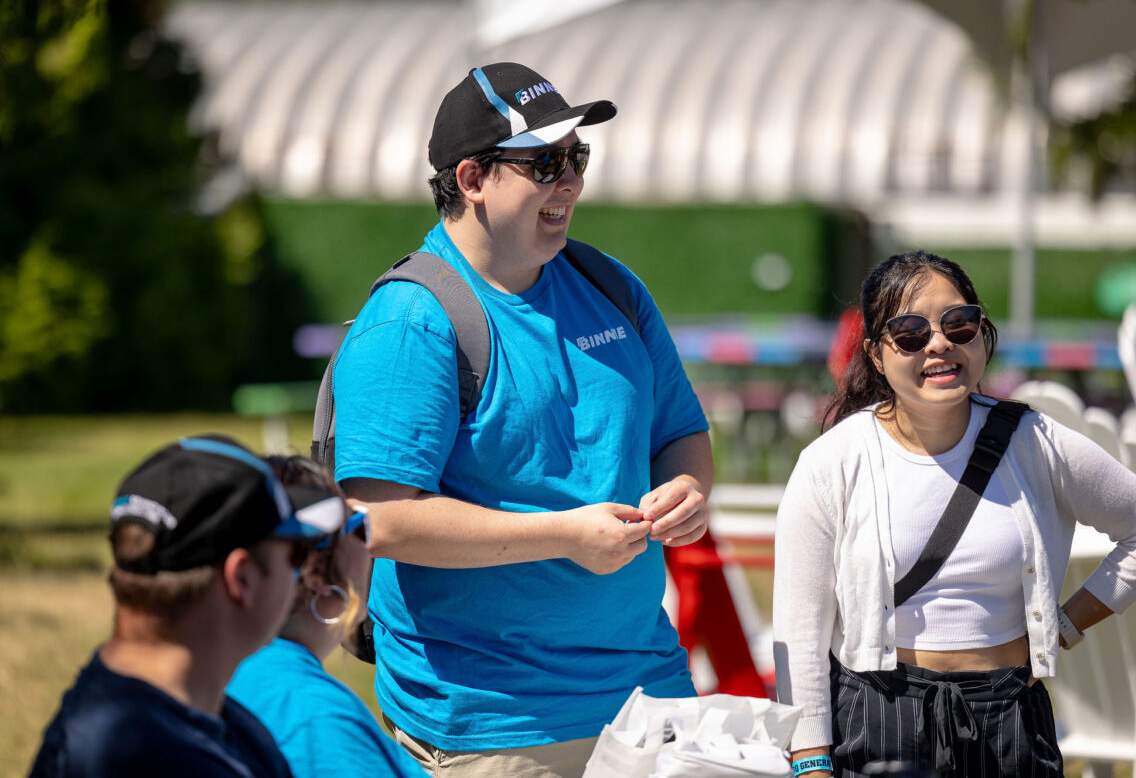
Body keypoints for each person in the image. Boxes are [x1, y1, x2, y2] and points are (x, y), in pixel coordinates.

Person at [333, 61, 713, 777]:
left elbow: (681, 435)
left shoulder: (612, 287)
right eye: (544, 162)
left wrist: (689, 487)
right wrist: (564, 536)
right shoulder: (412, 319)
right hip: (497, 724)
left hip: (651, 695)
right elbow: (378, 520)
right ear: (472, 179)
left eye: (577, 157)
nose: (568, 181)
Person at [772, 251, 1136, 778]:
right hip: (880, 714)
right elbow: (799, 631)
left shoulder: (1035, 442)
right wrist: (810, 761)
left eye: (959, 323)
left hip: (1008, 713)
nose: (940, 343)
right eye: (910, 333)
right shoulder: (833, 461)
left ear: (980, 333)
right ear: (877, 355)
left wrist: (1064, 624)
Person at [29, 434, 342, 778]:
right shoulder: (156, 759)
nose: (302, 570)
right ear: (243, 579)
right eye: (296, 552)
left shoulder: (153, 720)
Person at [226, 456, 426, 778]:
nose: (371, 547)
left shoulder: (216, 667)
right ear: (318, 574)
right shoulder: (317, 721)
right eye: (359, 528)